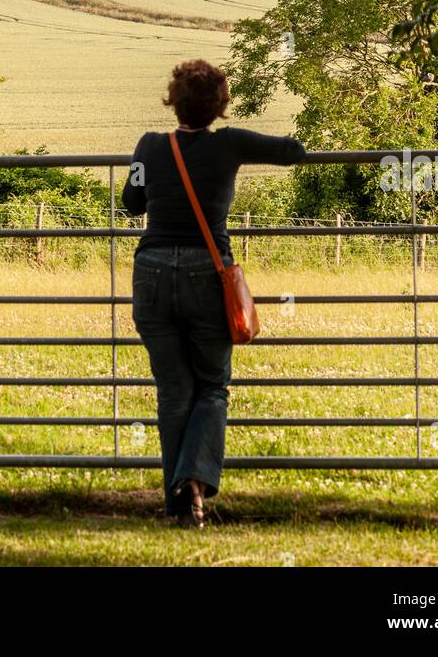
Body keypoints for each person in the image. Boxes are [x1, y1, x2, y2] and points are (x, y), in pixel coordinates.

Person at [122, 58, 306, 527]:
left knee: (173, 391)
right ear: (221, 105)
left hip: (153, 273)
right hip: (209, 272)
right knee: (212, 387)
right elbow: (293, 151)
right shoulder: (231, 144)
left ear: (173, 100)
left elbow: (131, 202)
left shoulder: (149, 145)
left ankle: (179, 502)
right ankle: (195, 485)